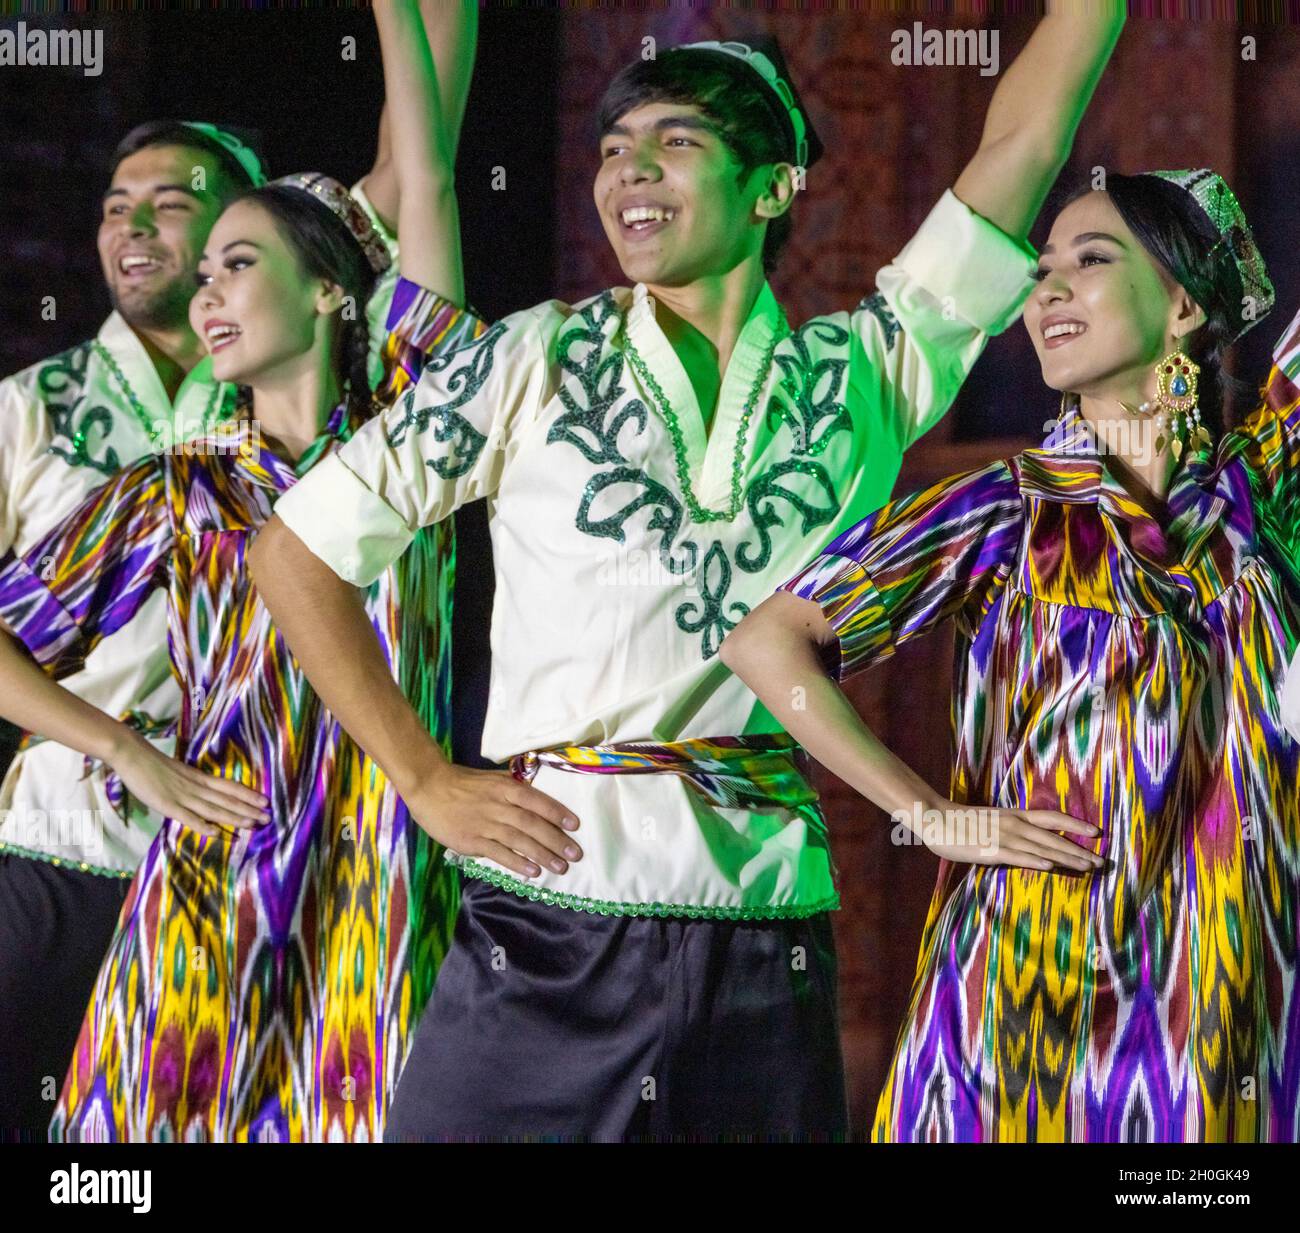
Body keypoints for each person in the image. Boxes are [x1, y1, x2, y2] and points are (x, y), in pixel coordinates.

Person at [250, 9, 1124, 1141]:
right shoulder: (535, 355)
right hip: (546, 922)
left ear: (772, 188)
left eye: (673, 142)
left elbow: (1023, 142)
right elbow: (294, 551)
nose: (629, 173)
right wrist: (421, 777)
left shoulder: (867, 368)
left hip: (766, 938)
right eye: (612, 150)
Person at [721, 169, 1300, 1142]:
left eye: (1090, 259)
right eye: (1037, 272)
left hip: (1225, 989)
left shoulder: (1269, 485)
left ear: (1184, 306)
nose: (1047, 291)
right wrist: (935, 819)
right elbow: (770, 638)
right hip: (1027, 992)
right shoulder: (1003, 508)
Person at [0, 0, 479, 1141]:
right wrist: (126, 752)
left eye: (233, 260)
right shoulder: (180, 484)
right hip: (213, 875)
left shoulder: (413, 431)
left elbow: (429, 171)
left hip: (379, 878)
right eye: (200, 274)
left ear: (327, 290)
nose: (206, 289)